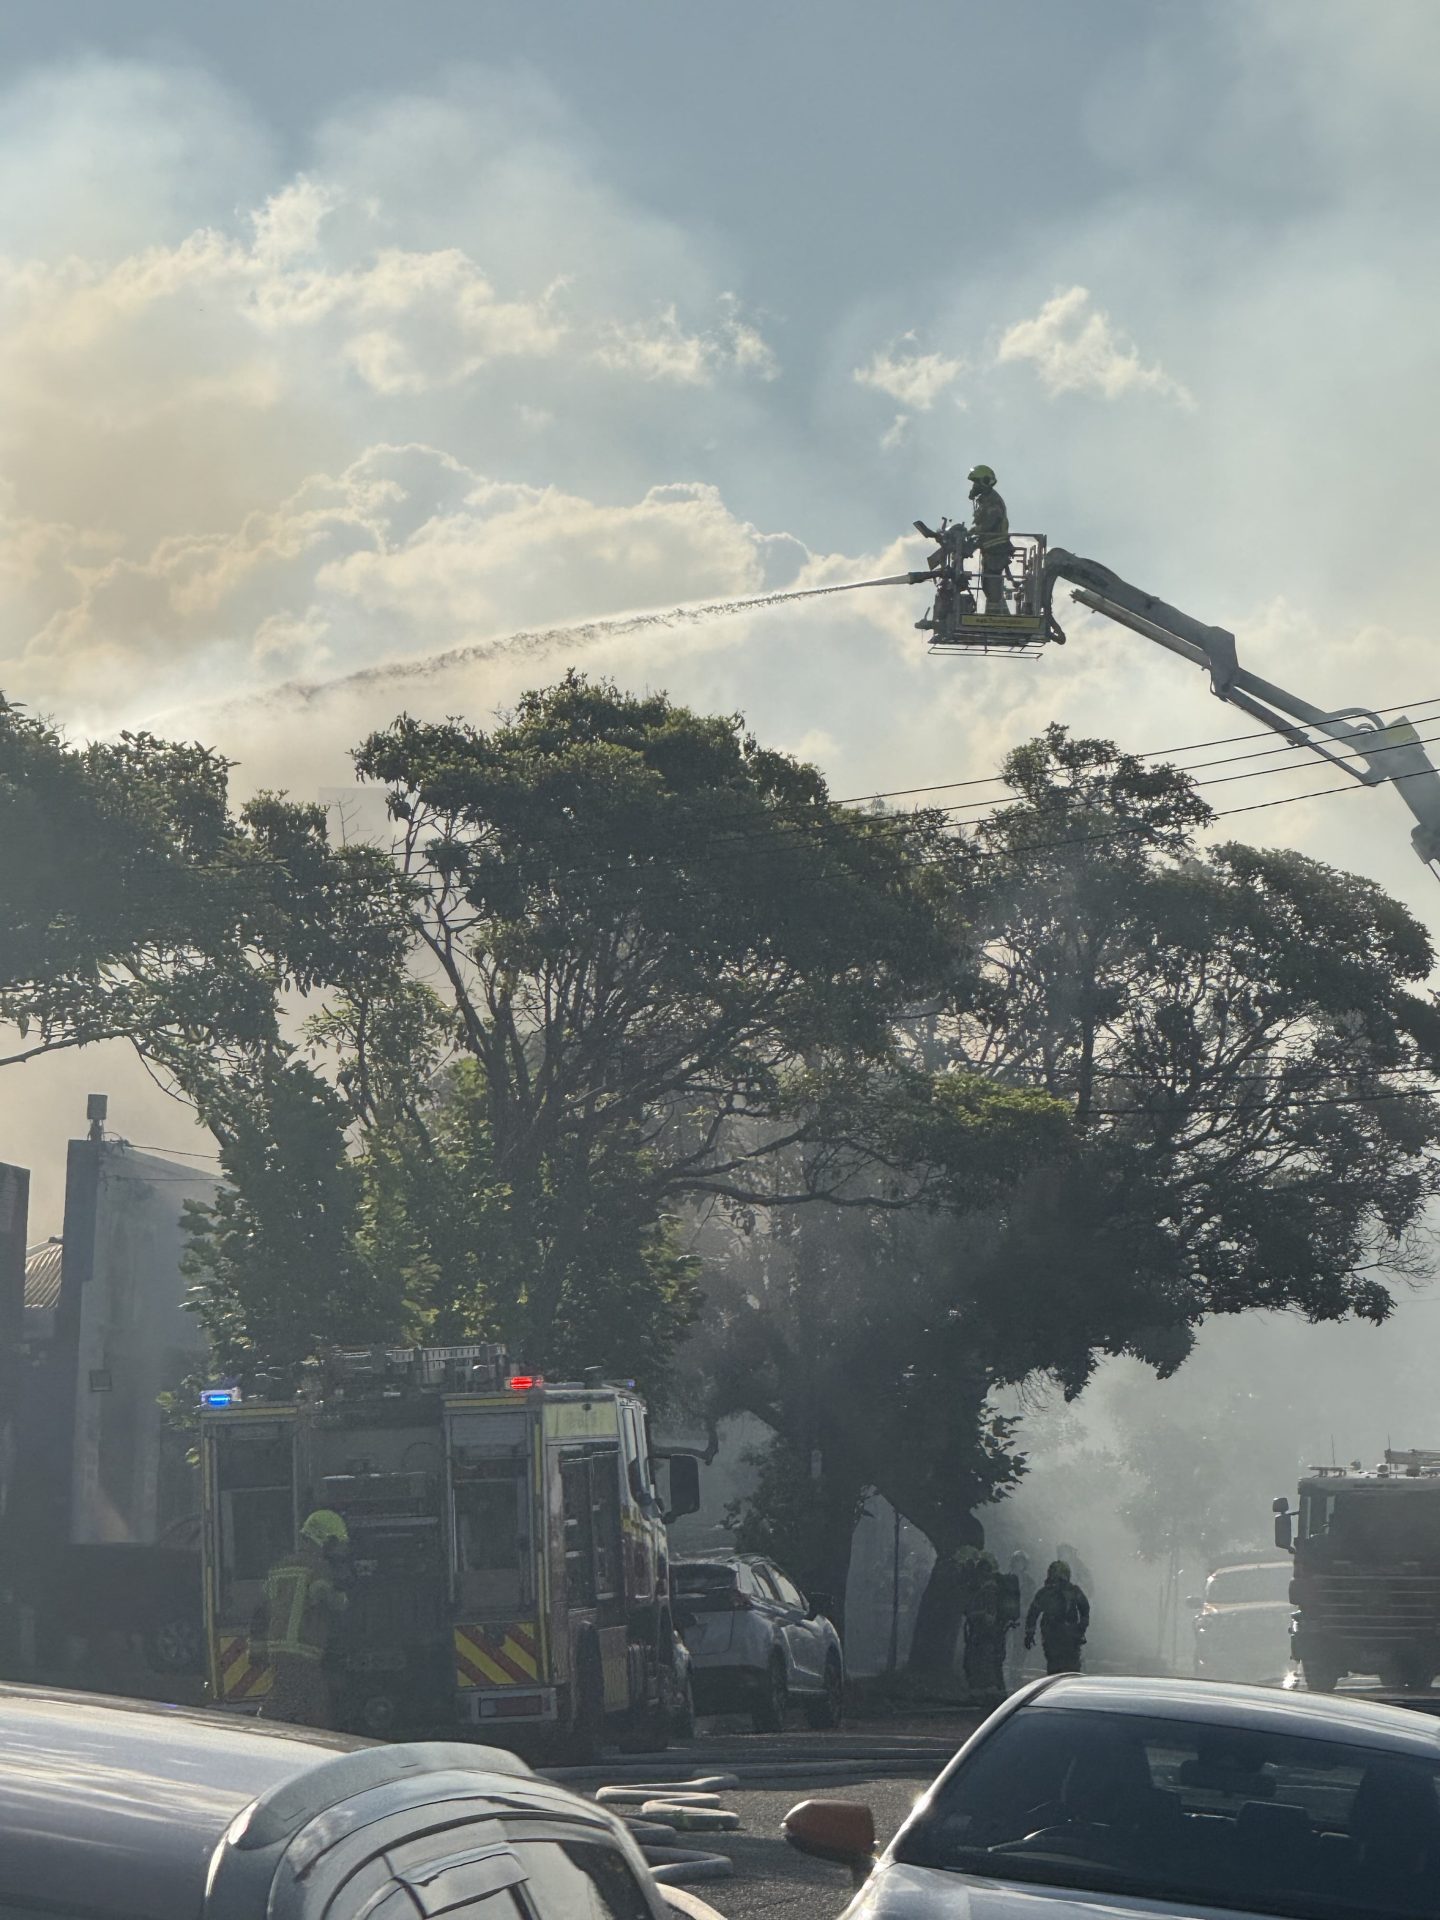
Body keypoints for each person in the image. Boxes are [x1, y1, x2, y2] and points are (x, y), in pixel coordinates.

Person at [254, 1508, 350, 1728]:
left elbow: (262, 1607)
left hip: (278, 1649)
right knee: (304, 1707)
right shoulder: (318, 1567)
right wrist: (343, 1600)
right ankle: (258, 1735)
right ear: (325, 1540)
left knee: (306, 1703)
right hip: (302, 1652)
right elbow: (321, 1595)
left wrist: (257, 1649)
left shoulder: (281, 1566)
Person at [1024, 1558, 1090, 1675]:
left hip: (1053, 1635)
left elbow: (1033, 1613)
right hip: (1067, 1635)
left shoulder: (1045, 1592)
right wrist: (1081, 1628)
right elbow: (1085, 1609)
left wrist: (1030, 1634)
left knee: (1055, 1667)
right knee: (1070, 1667)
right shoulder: (1073, 1591)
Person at [966, 464, 1012, 614]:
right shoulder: (985, 499)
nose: (973, 486)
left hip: (997, 549)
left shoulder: (992, 500)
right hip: (990, 549)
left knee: (992, 585)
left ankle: (997, 617)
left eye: (976, 482)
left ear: (985, 482)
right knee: (988, 585)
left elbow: (991, 520)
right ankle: (999, 615)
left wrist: (974, 531)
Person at [962, 1551, 1009, 1695]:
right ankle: (991, 1691)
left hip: (986, 1631)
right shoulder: (987, 1586)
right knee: (989, 1660)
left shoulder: (989, 1588)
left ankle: (989, 1691)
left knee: (985, 1660)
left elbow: (989, 1615)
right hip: (986, 1630)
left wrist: (977, 1615)